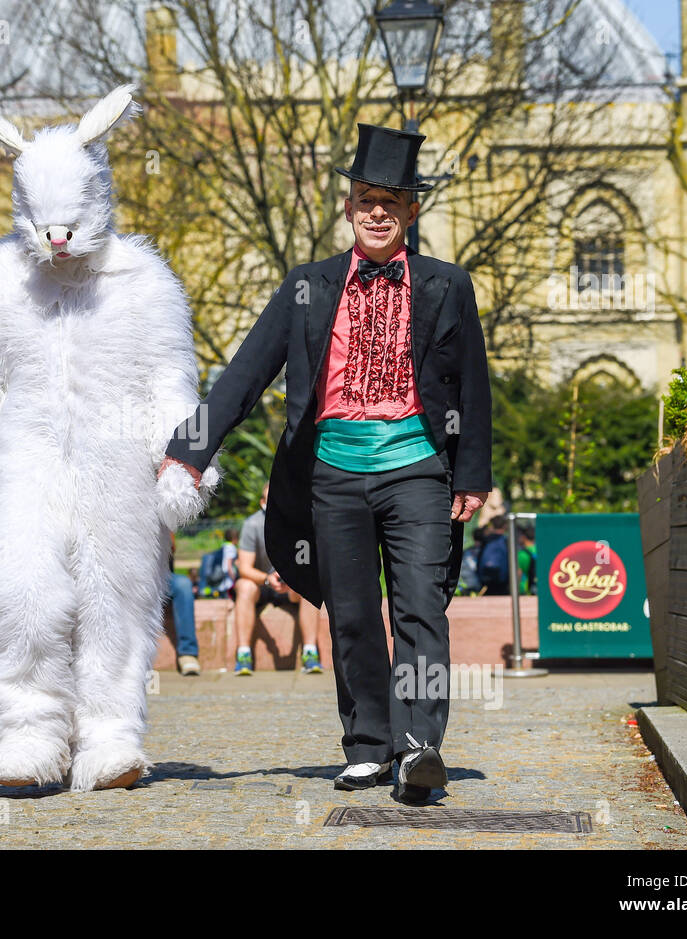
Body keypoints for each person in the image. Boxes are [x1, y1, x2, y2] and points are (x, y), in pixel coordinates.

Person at [160, 124, 492, 802]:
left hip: (418, 468)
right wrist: (188, 451)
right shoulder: (306, 286)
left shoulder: (447, 285)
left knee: (420, 608)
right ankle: (369, 745)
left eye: (391, 202)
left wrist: (473, 472)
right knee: (351, 613)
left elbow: (474, 385)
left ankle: (420, 745)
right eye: (366, 199)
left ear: (411, 212)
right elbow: (246, 372)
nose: (377, 212)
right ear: (348, 207)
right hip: (332, 473)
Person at [232, 484, 322, 675]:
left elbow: (306, 566)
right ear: (262, 502)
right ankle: (243, 654)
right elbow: (244, 568)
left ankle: (310, 653)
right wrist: (267, 578)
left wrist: (292, 579)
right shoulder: (252, 524)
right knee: (243, 586)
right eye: (269, 499)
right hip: (261, 584)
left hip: (292, 586)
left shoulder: (299, 525)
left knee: (310, 584)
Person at [167, 533, 200, 675]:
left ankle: (188, 653)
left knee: (183, 584)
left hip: (162, 578)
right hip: (130, 579)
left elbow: (170, 547)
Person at [477, 514, 511, 596]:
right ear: (505, 526)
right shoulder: (507, 541)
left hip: (485, 579)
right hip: (502, 580)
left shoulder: (486, 540)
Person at [516, 524, 537, 596]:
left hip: (525, 588)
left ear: (523, 537)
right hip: (538, 587)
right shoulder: (541, 551)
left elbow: (518, 574)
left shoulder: (521, 554)